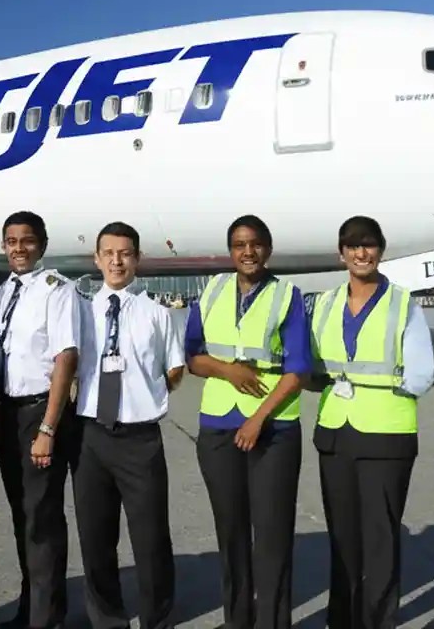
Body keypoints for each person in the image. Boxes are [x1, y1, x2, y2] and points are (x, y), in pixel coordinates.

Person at [308, 216, 434, 629]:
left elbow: (421, 374)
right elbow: (312, 365)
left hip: (386, 434)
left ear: (381, 250)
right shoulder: (326, 303)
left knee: (380, 539)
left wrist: (371, 384)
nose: (361, 253)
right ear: (341, 253)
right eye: (352, 246)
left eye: (369, 245)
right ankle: (341, 620)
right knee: (342, 538)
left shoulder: (402, 303)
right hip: (335, 433)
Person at [184, 214, 311, 629]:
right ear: (231, 251)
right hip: (219, 427)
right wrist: (229, 371)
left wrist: (258, 419)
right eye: (239, 245)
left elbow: (298, 370)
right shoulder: (213, 290)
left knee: (272, 538)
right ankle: (238, 620)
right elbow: (194, 357)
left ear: (268, 249)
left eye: (255, 244)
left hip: (273, 430)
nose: (248, 252)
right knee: (231, 535)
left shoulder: (287, 296)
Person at [73, 221, 184, 629]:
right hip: (91, 436)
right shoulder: (81, 313)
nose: (117, 261)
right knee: (96, 537)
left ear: (137, 259)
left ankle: (158, 617)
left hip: (140, 439)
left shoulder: (157, 313)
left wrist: (143, 397)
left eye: (125, 253)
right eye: (109, 253)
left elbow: (174, 369)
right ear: (97, 259)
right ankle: (108, 617)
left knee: (151, 538)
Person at [0, 210, 82, 629]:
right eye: (11, 241)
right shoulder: (2, 292)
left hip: (38, 415)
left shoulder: (57, 290)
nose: (18, 248)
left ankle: (47, 618)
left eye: (27, 240)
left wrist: (47, 427)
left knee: (42, 518)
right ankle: (31, 610)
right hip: (7, 414)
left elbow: (66, 357)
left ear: (41, 245)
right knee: (22, 515)